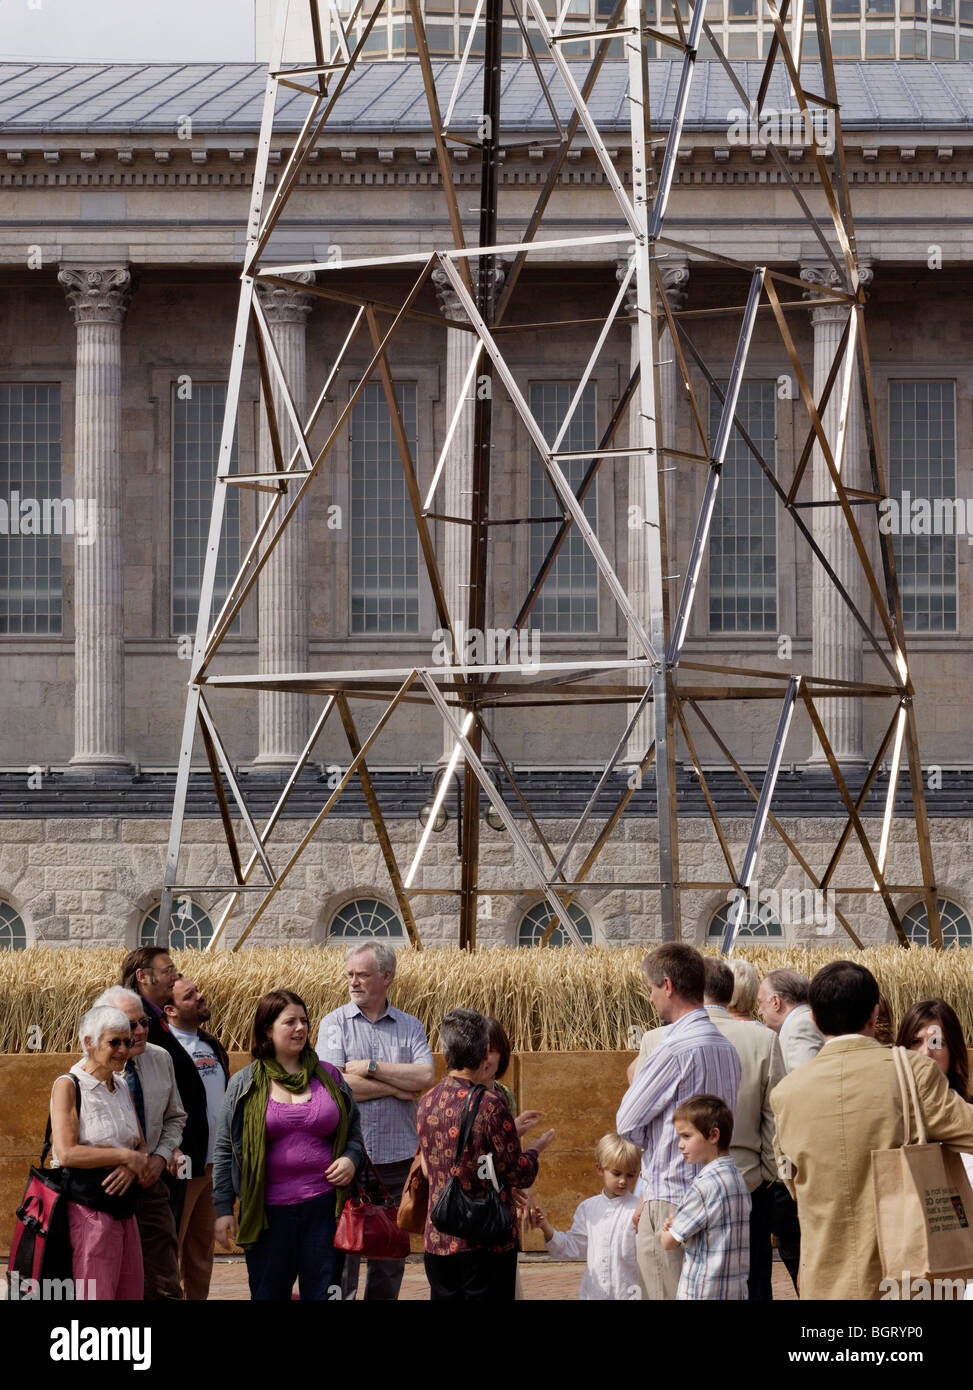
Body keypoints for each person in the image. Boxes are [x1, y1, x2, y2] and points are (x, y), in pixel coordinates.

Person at [771, 960, 973, 1300]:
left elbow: (789, 1178)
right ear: (874, 1014)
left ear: (816, 1021)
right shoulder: (912, 1072)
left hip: (824, 1279)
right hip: (907, 1278)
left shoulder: (786, 1094)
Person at [631, 958, 783, 1299]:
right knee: (750, 1280)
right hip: (746, 1178)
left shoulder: (657, 1039)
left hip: (673, 1183)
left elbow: (639, 1116)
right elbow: (774, 1118)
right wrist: (769, 1176)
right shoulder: (763, 1040)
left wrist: (650, 1180)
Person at [213, 989, 364, 1300]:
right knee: (269, 1294)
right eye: (290, 1021)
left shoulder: (329, 1076)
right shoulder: (244, 1083)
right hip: (269, 1213)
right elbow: (225, 1148)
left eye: (304, 1021)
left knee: (326, 1294)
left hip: (325, 1209)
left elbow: (355, 1132)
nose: (300, 1028)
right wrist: (223, 1208)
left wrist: (350, 1158)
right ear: (267, 1028)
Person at [616, 943, 741, 1300]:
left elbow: (627, 1121)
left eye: (653, 988)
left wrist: (655, 1139)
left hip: (672, 1195)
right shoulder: (725, 1047)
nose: (652, 996)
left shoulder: (672, 1049)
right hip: (714, 1192)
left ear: (668, 986)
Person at [315, 941, 434, 1301]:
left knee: (389, 1253)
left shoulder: (410, 1026)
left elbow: (425, 1078)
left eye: (362, 975)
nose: (353, 981)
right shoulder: (334, 1023)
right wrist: (397, 1088)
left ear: (386, 977)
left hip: (397, 1159)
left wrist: (370, 1068)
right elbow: (334, 1087)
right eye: (350, 974)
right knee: (343, 1249)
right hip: (348, 1158)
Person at [417, 1008, 554, 1301]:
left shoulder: (427, 1101)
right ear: (481, 1052)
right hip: (486, 1239)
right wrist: (535, 1150)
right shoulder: (491, 1103)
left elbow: (429, 1169)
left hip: (439, 1236)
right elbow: (517, 1171)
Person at [92, 986, 187, 1300]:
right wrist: (128, 1163)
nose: (142, 1030)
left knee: (164, 1285)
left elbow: (176, 1117)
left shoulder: (160, 1059)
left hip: (151, 1188)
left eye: (144, 1021)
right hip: (102, 1192)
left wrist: (160, 1157)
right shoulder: (86, 1074)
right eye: (130, 1025)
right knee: (109, 1285)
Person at [49, 1004, 149, 1300]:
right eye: (114, 1042)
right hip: (89, 1212)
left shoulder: (120, 1084)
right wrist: (124, 1157)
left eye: (127, 1042)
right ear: (89, 1043)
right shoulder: (69, 1085)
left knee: (130, 1293)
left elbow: (139, 1144)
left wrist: (132, 1163)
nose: (122, 1050)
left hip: (125, 1210)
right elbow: (66, 1153)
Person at [120, 946, 208, 1227]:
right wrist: (163, 1152)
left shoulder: (155, 1020)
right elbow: (130, 1091)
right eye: (167, 970)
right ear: (143, 977)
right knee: (162, 1246)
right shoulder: (136, 1026)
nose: (174, 976)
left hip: (172, 1156)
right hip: (157, 1165)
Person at [163, 975, 230, 1300]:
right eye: (190, 996)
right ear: (170, 1010)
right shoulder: (164, 1049)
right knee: (172, 1246)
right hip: (183, 1166)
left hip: (212, 1166)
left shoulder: (210, 1043)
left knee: (201, 1251)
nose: (201, 997)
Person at [660, 1094, 751, 1301]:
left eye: (686, 1136)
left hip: (701, 1291)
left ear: (713, 1135)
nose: (680, 1145)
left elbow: (668, 1242)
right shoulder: (738, 1179)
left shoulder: (703, 1186)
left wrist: (667, 1228)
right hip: (734, 1291)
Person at [531, 1133, 641, 1301]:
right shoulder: (588, 1208)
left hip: (630, 1293)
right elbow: (572, 1248)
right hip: (593, 1294)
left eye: (630, 1175)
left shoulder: (639, 1209)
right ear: (600, 1169)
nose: (623, 1181)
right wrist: (546, 1227)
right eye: (617, 1173)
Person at [756, 969, 824, 1072]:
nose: (759, 1012)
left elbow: (803, 1081)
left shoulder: (801, 1027)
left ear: (776, 1002)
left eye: (761, 1002)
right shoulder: (804, 1020)